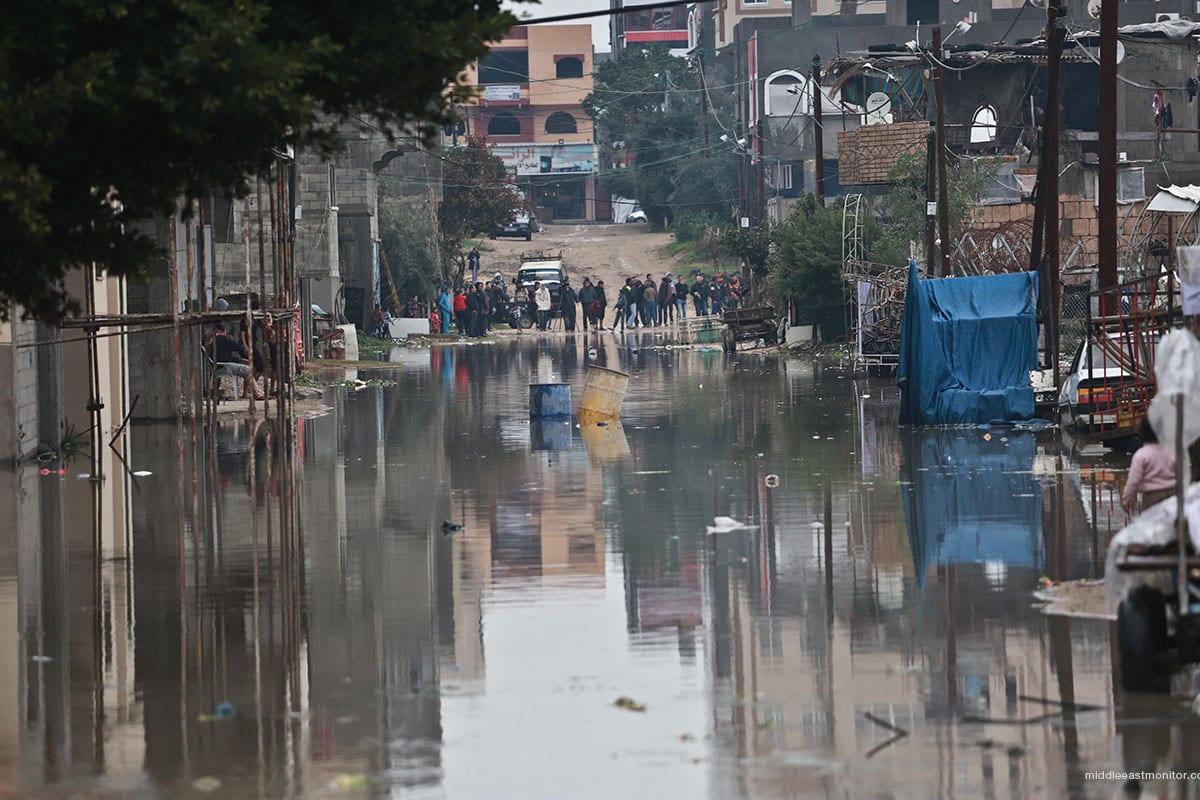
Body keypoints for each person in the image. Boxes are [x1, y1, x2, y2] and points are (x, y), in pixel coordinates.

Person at [1122, 417, 1178, 513]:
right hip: (1174, 495)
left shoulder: (1141, 455)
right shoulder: (1172, 451)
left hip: (1152, 497)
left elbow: (1134, 480)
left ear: (1142, 433)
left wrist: (1128, 498)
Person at [212, 323, 265, 400]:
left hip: (219, 365)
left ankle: (257, 391)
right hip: (224, 366)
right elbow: (238, 347)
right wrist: (230, 340)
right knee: (248, 370)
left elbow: (223, 356)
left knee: (246, 370)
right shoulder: (221, 339)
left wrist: (239, 360)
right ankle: (256, 392)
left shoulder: (213, 340)